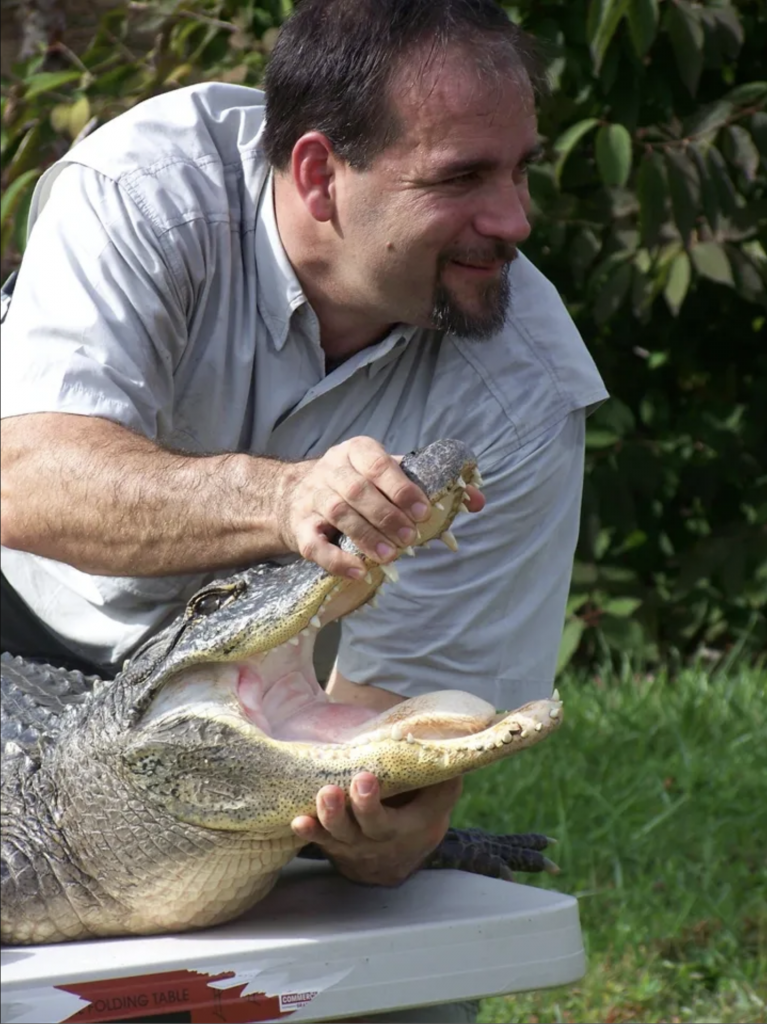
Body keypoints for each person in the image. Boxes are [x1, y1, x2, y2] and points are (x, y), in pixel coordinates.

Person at [1, 0, 605, 1017]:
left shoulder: (525, 389)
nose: (513, 220)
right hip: (22, 610)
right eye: (460, 177)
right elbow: (20, 477)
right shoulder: (146, 193)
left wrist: (396, 830)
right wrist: (284, 495)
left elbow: (420, 721)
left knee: (413, 983)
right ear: (320, 175)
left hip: (252, 711)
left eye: (518, 170)